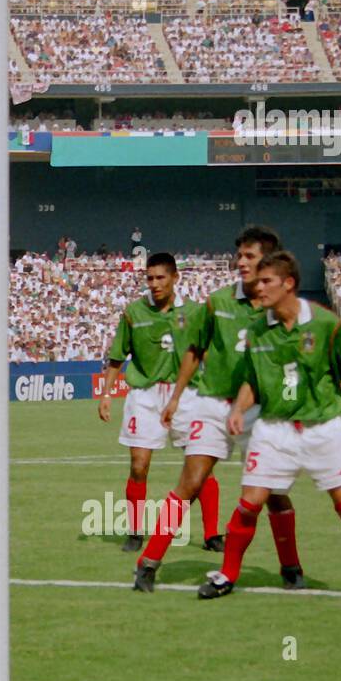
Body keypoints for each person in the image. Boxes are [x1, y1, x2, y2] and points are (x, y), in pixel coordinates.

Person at [198, 251, 341, 600]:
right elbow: (251, 379)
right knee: (249, 502)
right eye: (257, 281)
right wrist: (238, 408)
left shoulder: (326, 323)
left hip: (322, 427)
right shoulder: (256, 330)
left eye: (266, 281)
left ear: (289, 283)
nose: (258, 287)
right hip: (273, 428)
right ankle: (227, 574)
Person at [137, 226, 304, 592]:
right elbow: (194, 350)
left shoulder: (281, 310)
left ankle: (290, 566)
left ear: (269, 262)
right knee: (191, 483)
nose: (240, 262)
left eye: (249, 256)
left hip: (260, 410)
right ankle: (147, 563)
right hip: (212, 404)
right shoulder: (217, 302)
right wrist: (178, 397)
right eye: (239, 255)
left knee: (272, 492)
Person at [98, 252, 203, 552]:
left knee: (198, 463)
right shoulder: (134, 312)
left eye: (160, 277)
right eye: (150, 278)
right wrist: (106, 394)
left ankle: (211, 534)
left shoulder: (194, 312)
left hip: (185, 394)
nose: (154, 283)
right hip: (144, 395)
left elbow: (205, 352)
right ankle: (134, 532)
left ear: (174, 278)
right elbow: (117, 357)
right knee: (139, 464)